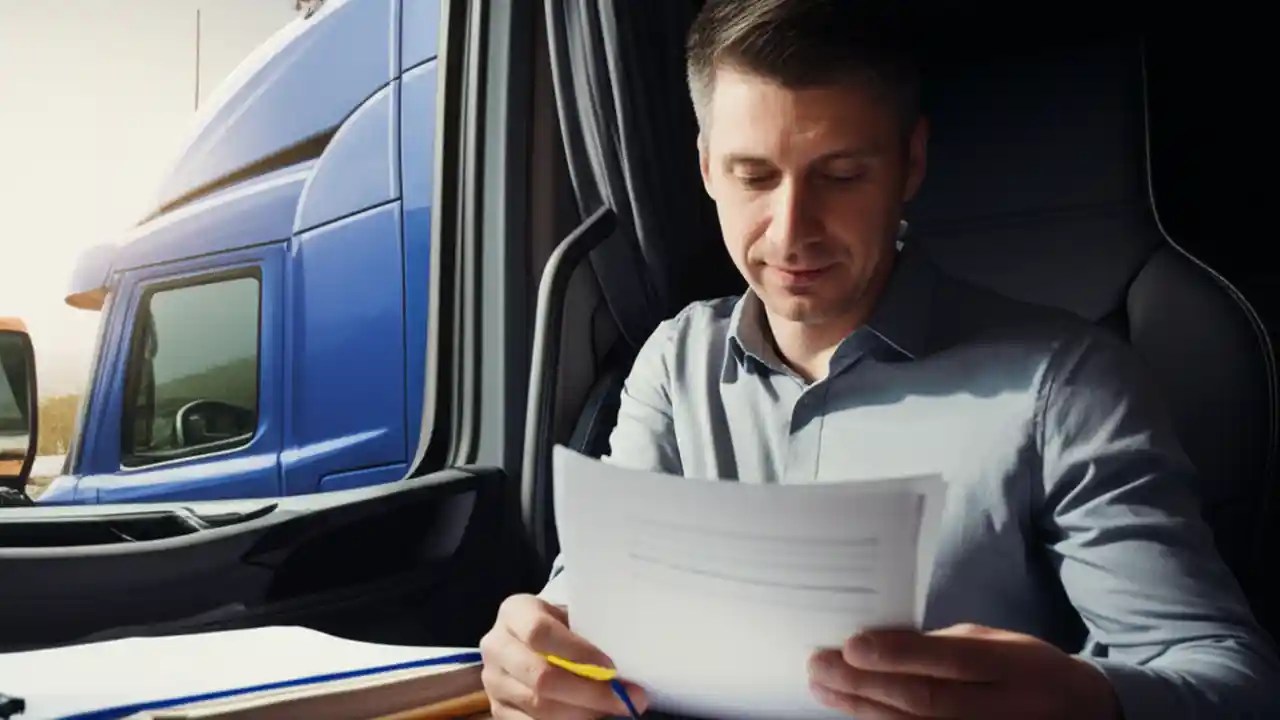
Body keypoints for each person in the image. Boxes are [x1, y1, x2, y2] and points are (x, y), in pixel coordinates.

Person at [479, 1, 1280, 717]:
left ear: (911, 164)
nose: (790, 232)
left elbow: (1232, 679)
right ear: (706, 169)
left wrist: (1087, 701)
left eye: (841, 176)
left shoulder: (1067, 386)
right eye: (752, 176)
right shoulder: (672, 362)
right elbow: (588, 608)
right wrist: (539, 653)